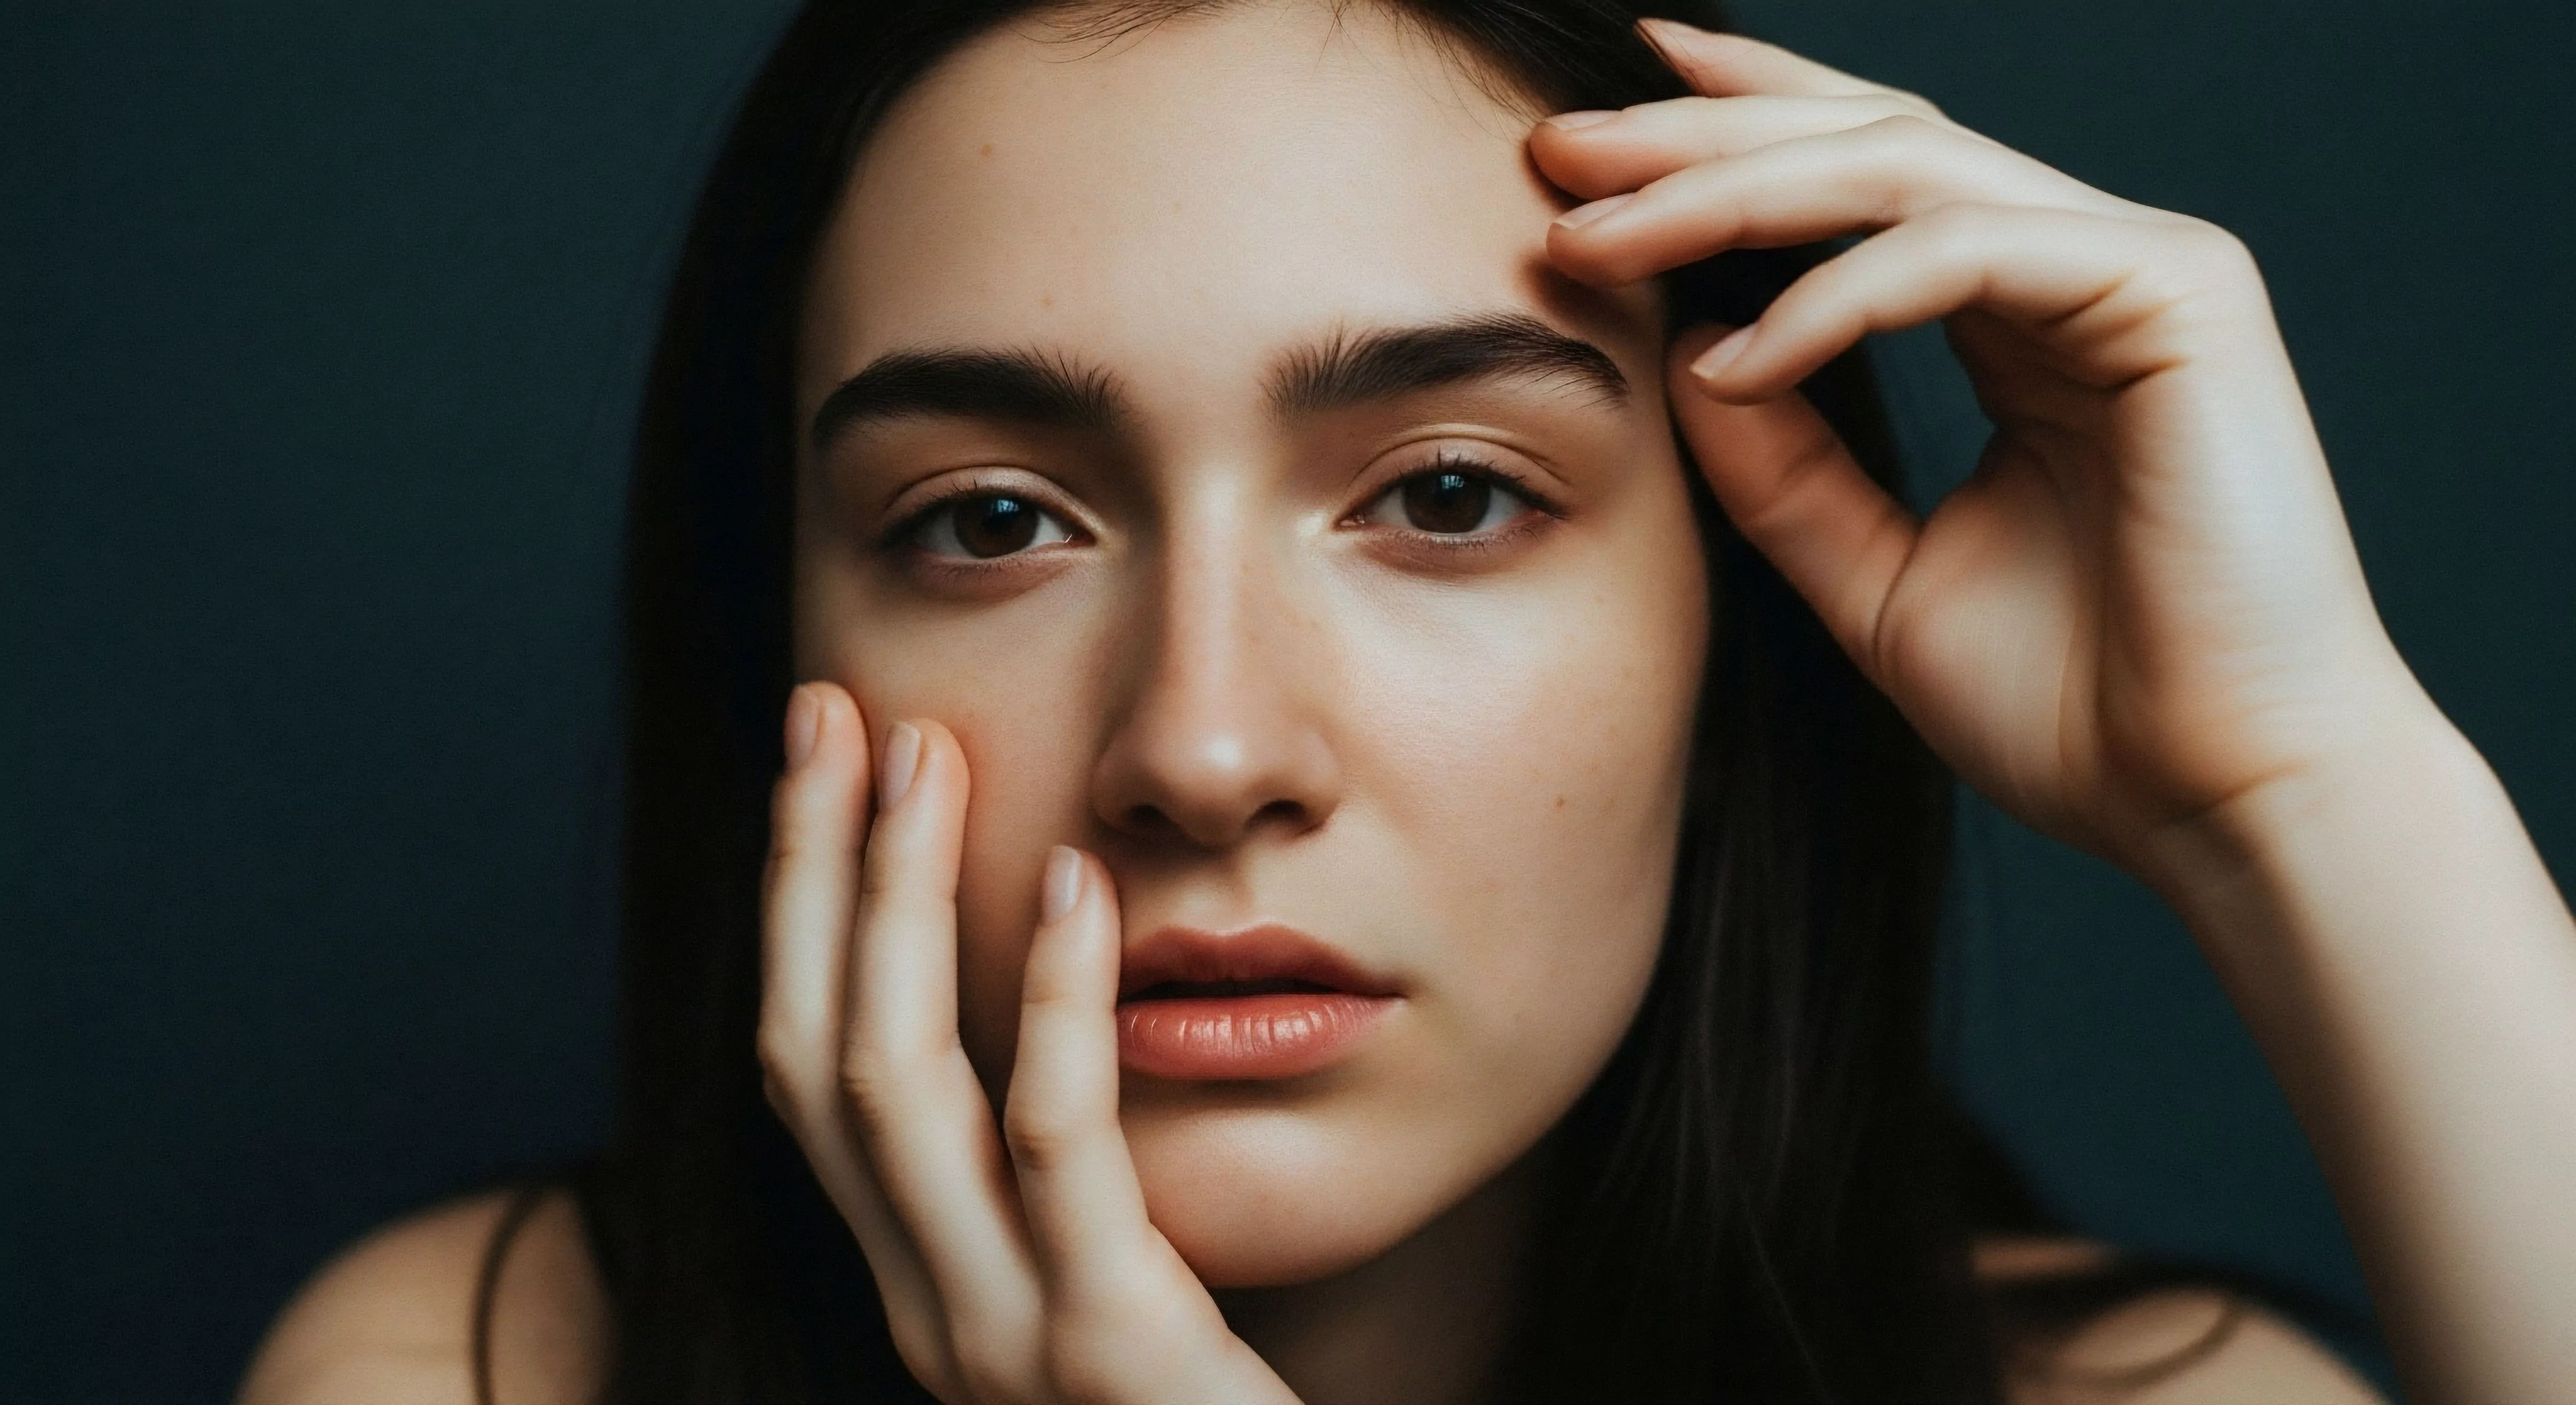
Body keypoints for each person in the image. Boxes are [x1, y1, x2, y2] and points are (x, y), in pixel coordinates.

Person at [236, 2, 2576, 1402]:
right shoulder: (471, 1371)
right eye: (991, 523)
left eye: (1448, 494)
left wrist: (2308, 781)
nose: (1208, 751)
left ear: (1728, 624)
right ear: (785, 649)